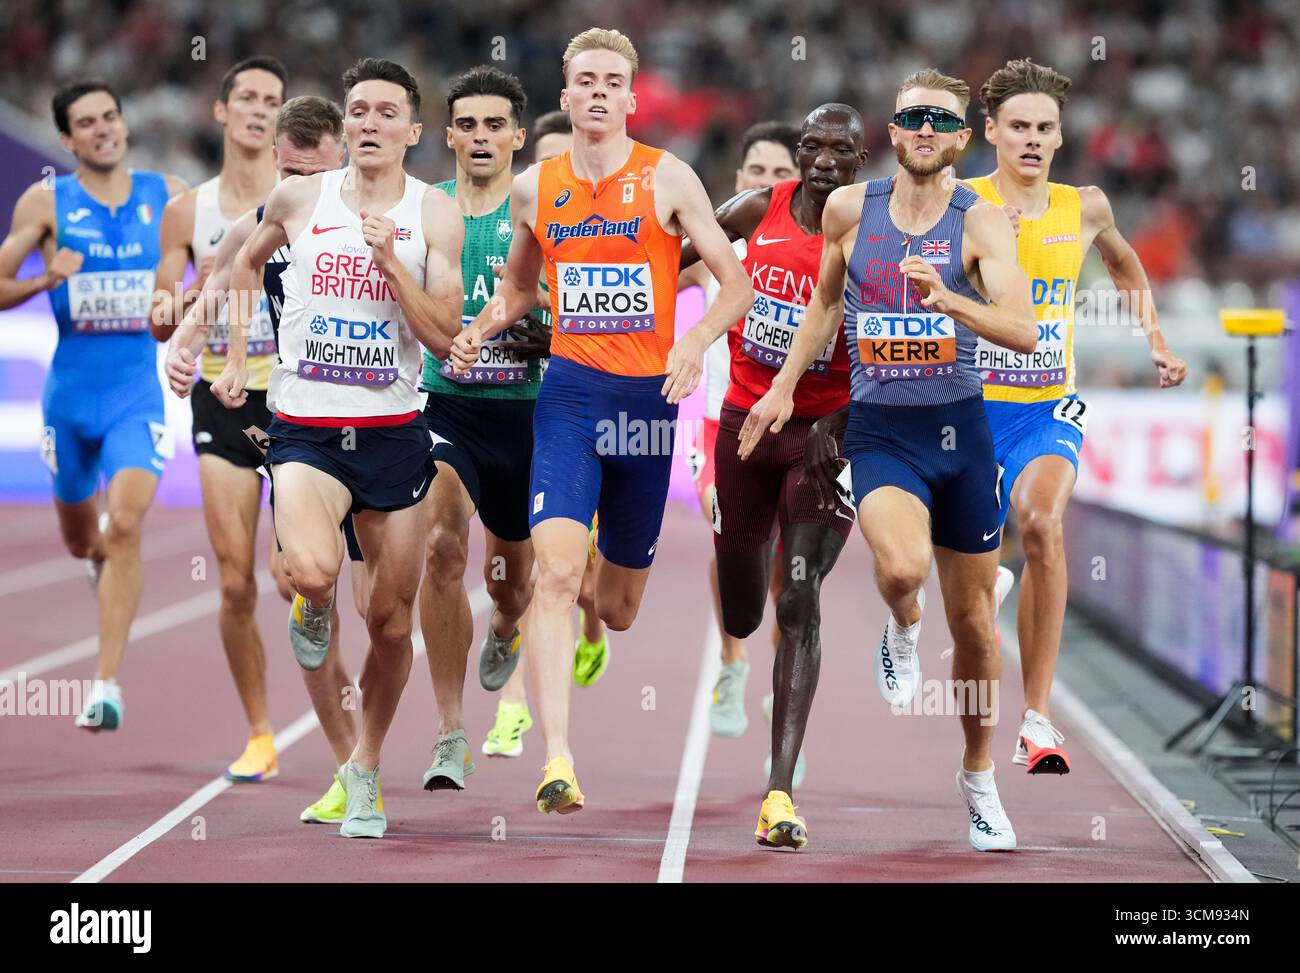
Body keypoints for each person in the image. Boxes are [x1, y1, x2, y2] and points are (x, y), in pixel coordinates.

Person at [450, 27, 752, 813]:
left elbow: (735, 286)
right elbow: (519, 291)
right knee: (548, 575)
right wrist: (482, 327)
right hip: (571, 401)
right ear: (564, 95)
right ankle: (558, 759)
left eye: (611, 81)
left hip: (646, 411)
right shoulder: (534, 187)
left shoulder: (669, 179)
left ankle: (588, 582)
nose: (596, 93)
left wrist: (691, 340)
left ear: (629, 95)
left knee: (615, 608)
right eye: (584, 80)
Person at [741, 69, 1036, 852]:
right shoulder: (850, 209)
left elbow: (1023, 331)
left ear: (960, 138)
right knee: (903, 572)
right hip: (881, 431)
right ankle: (903, 624)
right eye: (913, 118)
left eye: (942, 118)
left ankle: (977, 776)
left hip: (960, 433)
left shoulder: (982, 222)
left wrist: (952, 301)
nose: (927, 129)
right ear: (896, 132)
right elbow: (827, 307)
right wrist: (783, 387)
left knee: (975, 626)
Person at [212, 57, 464, 838]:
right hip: (307, 427)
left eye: (388, 113)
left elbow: (448, 340)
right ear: (344, 123)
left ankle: (364, 769)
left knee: (391, 625)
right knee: (312, 571)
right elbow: (242, 262)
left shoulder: (434, 216)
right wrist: (234, 352)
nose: (370, 123)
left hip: (392, 432)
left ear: (413, 132)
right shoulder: (297, 196)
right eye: (359, 110)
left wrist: (392, 262)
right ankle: (313, 605)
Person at [968, 59, 1187, 773]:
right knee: (959, 583)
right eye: (1019, 127)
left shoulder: (1085, 204)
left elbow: (1123, 265)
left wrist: (1154, 338)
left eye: (1045, 128)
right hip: (966, 410)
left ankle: (1037, 718)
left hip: (1045, 406)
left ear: (1060, 137)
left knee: (1041, 523)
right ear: (991, 130)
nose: (1032, 139)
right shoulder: (959, 201)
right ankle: (954, 604)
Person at [164, 95, 376, 822]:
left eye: (307, 172)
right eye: (285, 171)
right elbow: (224, 280)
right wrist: (194, 348)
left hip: (371, 421)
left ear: (341, 161)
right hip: (285, 416)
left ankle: (380, 745)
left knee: (379, 605)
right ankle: (339, 757)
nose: (292, 186)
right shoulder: (259, 220)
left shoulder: (378, 220)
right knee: (288, 585)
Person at [683, 104, 865, 849]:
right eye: (810, 146)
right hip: (746, 426)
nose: (822, 159)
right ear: (797, 155)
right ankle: (738, 645)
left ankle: (779, 791)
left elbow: (895, 346)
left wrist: (842, 422)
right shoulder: (761, 208)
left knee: (799, 593)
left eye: (839, 149)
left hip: (829, 434)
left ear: (861, 157)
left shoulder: (874, 230)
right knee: (743, 610)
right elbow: (671, 251)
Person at [0, 81, 186, 731]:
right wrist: (44, 278)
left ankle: (104, 684)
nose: (104, 127)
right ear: (66, 139)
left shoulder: (165, 194)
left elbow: (217, 254)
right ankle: (98, 562)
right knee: (84, 537)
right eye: (88, 121)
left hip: (136, 394)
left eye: (111, 115)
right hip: (68, 400)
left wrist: (184, 300)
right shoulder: (46, 201)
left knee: (127, 524)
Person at [416, 65, 551, 790]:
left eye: (494, 124)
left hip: (526, 414)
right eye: (466, 124)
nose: (479, 136)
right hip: (446, 404)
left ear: (518, 135)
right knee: (440, 545)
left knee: (510, 582)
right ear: (448, 135)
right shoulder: (428, 207)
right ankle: (449, 730)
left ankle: (504, 627)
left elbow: (578, 309)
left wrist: (546, 336)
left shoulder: (541, 206)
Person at [151, 56, 286, 781]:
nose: (260, 110)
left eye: (273, 101)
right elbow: (161, 309)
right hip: (222, 396)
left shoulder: (302, 199)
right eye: (248, 98)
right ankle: (260, 731)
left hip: (297, 394)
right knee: (235, 581)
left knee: (296, 576)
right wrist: (169, 312)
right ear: (222, 112)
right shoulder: (187, 211)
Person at [483, 107, 617, 761]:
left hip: (585, 407)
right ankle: (512, 707)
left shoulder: (607, 223)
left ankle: (594, 627)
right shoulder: (522, 214)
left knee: (582, 581)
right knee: (524, 573)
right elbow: (512, 284)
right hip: (515, 410)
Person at [678, 120, 807, 784]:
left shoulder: (815, 249)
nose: (762, 181)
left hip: (794, 425)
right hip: (718, 426)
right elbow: (647, 286)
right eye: (752, 171)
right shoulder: (713, 249)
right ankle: (732, 660)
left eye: (775, 171)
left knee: (791, 573)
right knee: (732, 536)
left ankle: (785, 699)